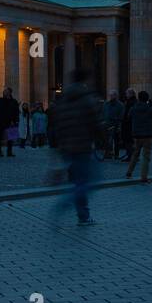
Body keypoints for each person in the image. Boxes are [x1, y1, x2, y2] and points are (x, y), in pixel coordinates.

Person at [51, 68, 102, 226]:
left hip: (66, 147)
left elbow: (56, 124)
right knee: (87, 182)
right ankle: (64, 205)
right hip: (82, 146)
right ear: (84, 81)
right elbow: (95, 124)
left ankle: (83, 216)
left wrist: (58, 146)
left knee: (78, 181)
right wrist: (101, 142)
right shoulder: (86, 100)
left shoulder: (63, 100)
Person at [125, 91, 152, 183]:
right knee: (146, 157)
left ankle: (129, 173)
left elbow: (128, 117)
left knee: (135, 154)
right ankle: (144, 177)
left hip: (136, 135)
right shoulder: (149, 108)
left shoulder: (133, 108)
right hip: (147, 135)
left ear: (138, 98)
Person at [0, 87, 19, 158]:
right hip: (0, 121)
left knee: (11, 138)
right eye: (4, 91)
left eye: (6, 91)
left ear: (10, 92)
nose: (4, 92)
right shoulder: (0, 100)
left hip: (10, 121)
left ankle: (9, 152)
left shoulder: (14, 101)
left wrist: (16, 121)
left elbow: (16, 112)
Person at [104, 91, 125, 159]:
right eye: (110, 95)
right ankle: (109, 153)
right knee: (108, 140)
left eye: (112, 95)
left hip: (115, 124)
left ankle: (116, 154)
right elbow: (104, 113)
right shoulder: (106, 104)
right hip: (108, 124)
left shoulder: (120, 105)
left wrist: (118, 124)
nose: (110, 97)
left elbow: (121, 116)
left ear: (116, 96)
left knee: (116, 141)